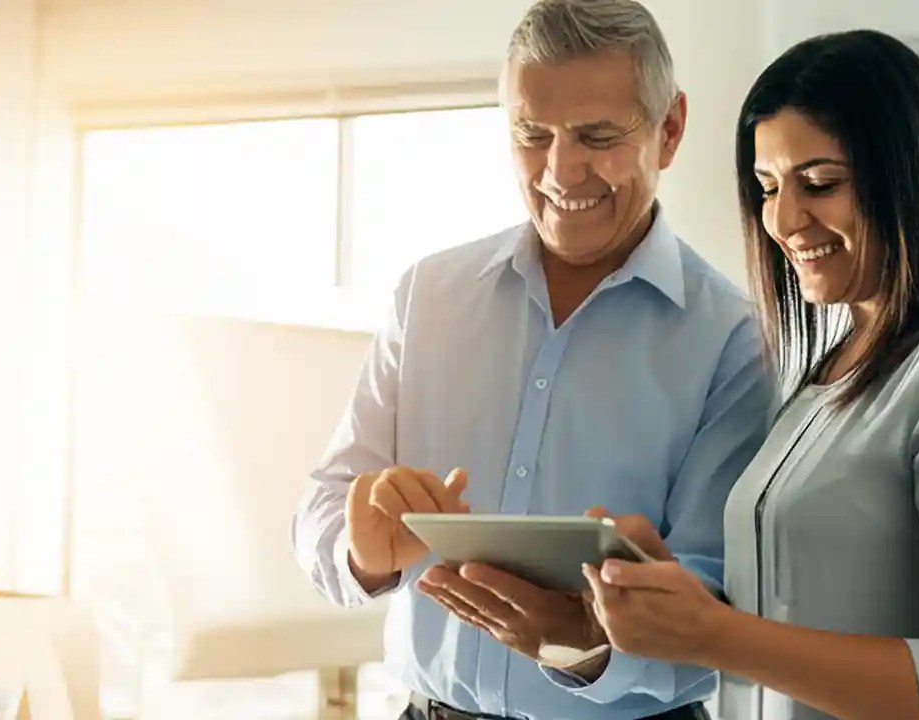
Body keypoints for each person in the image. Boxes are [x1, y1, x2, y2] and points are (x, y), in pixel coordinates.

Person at [291, 1, 775, 719]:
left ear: (669, 129)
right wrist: (359, 550)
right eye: (532, 134)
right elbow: (324, 505)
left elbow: (722, 604)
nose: (560, 170)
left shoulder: (734, 342)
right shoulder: (427, 296)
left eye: (598, 136)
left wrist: (582, 643)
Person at [581, 30, 919, 720]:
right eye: (767, 187)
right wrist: (658, 604)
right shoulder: (832, 372)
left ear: (907, 174)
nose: (783, 220)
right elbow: (783, 626)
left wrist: (716, 633)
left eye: (821, 183)